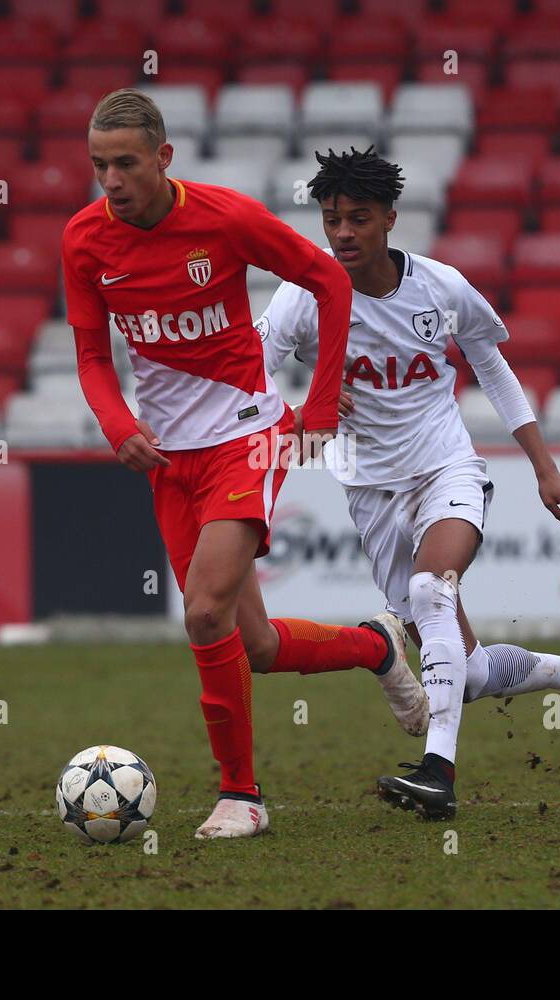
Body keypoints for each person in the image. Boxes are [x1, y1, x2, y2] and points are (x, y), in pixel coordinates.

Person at [62, 93, 427, 841]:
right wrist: (117, 424)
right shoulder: (82, 241)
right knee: (252, 646)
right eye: (99, 165)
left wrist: (319, 408)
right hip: (168, 456)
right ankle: (379, 645)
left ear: (164, 158)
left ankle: (243, 796)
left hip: (247, 434)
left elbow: (328, 281)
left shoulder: (224, 218)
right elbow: (94, 357)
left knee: (201, 613)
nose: (112, 180)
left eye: (126, 163)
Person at [257, 147, 560, 821]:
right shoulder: (303, 296)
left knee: (433, 589)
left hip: (445, 470)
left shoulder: (440, 288)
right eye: (332, 218)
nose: (343, 233)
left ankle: (438, 773)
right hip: (370, 493)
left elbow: (492, 366)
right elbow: (250, 367)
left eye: (359, 219)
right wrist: (297, 408)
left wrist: (545, 467)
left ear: (390, 220)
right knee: (469, 666)